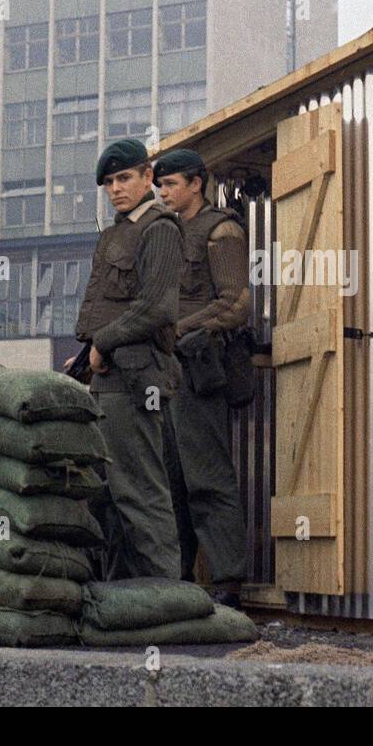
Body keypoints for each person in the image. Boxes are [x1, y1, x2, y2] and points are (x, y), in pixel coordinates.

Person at [72, 138, 184, 580]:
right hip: (109, 374)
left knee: (140, 490)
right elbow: (111, 305)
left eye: (125, 178)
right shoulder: (117, 232)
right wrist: (87, 354)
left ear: (148, 178)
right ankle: (124, 597)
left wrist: (102, 343)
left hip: (138, 377)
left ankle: (165, 595)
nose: (116, 188)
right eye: (109, 183)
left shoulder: (159, 228)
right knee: (107, 494)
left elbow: (157, 307)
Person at [153, 148, 250, 606]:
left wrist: (182, 330)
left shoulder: (220, 230)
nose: (164, 192)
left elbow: (235, 304)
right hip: (167, 373)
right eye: (160, 185)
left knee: (207, 478)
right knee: (169, 481)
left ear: (196, 183)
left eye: (171, 184)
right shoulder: (167, 235)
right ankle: (178, 582)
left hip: (199, 367)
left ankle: (229, 581)